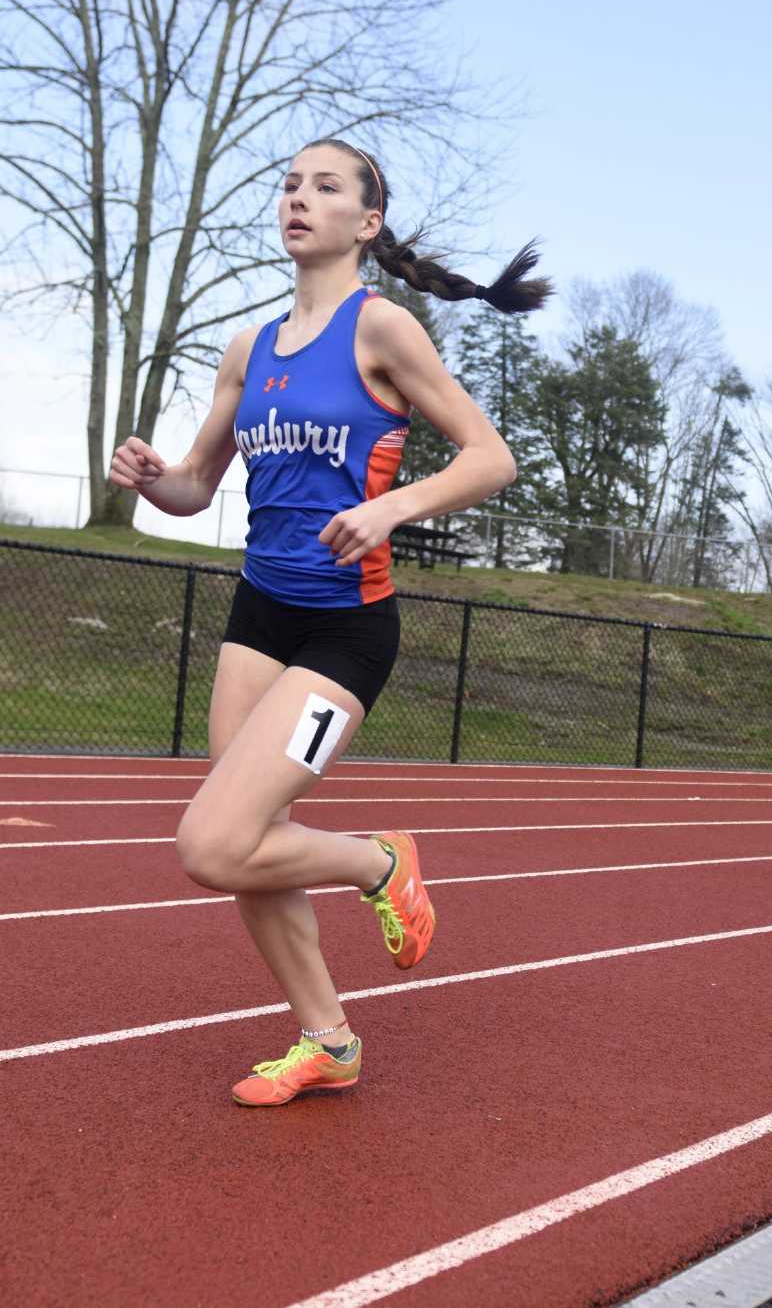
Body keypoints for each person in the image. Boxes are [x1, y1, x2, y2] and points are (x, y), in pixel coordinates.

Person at [109, 138, 547, 1105]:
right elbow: (196, 486)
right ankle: (328, 1039)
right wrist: (152, 480)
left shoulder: (381, 329)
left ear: (368, 221)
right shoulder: (247, 349)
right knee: (250, 847)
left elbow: (490, 457)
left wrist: (393, 507)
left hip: (346, 629)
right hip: (257, 616)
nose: (299, 199)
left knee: (211, 843)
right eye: (290, 184)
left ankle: (379, 860)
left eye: (326, 186)